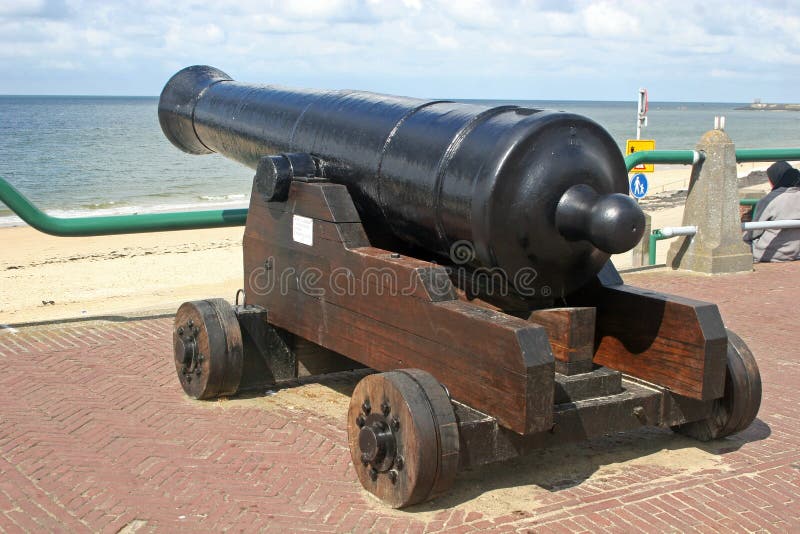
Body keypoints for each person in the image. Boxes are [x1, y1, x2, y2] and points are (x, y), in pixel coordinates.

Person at [743, 161, 800, 262]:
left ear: (773, 180)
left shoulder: (770, 200)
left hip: (769, 254)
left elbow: (753, 232)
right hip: (797, 253)